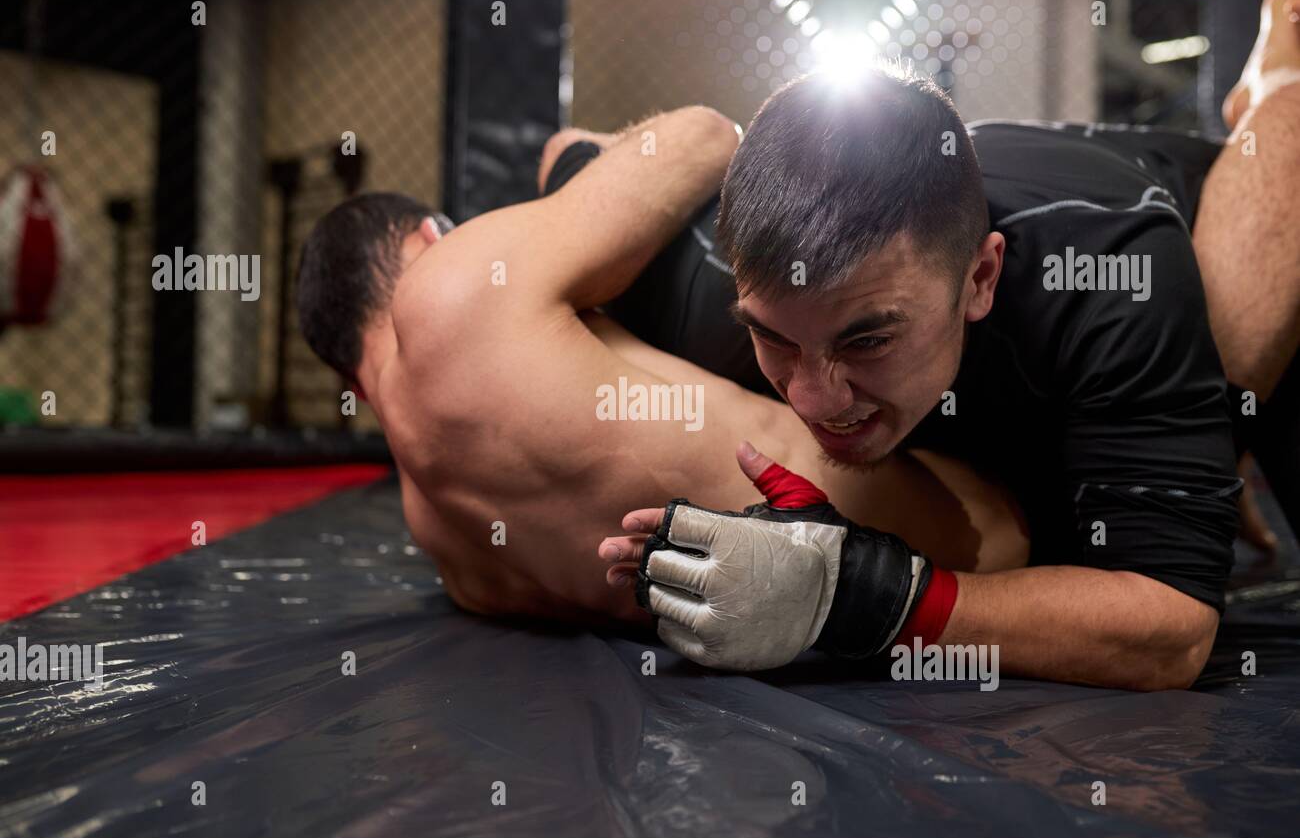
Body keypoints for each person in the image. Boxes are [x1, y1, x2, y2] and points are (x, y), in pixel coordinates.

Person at [599, 0, 1300, 690]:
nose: (811, 402)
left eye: (867, 340)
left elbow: (1172, 633)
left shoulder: (1108, 276)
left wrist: (875, 599)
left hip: (1206, 226)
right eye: (775, 340)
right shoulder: (702, 273)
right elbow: (568, 148)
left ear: (980, 280)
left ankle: (1280, 83)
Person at [294, 107, 1029, 631]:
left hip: (857, 622)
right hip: (990, 539)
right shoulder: (452, 283)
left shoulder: (451, 556)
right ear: (433, 238)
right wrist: (582, 151)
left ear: (353, 386)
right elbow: (708, 137)